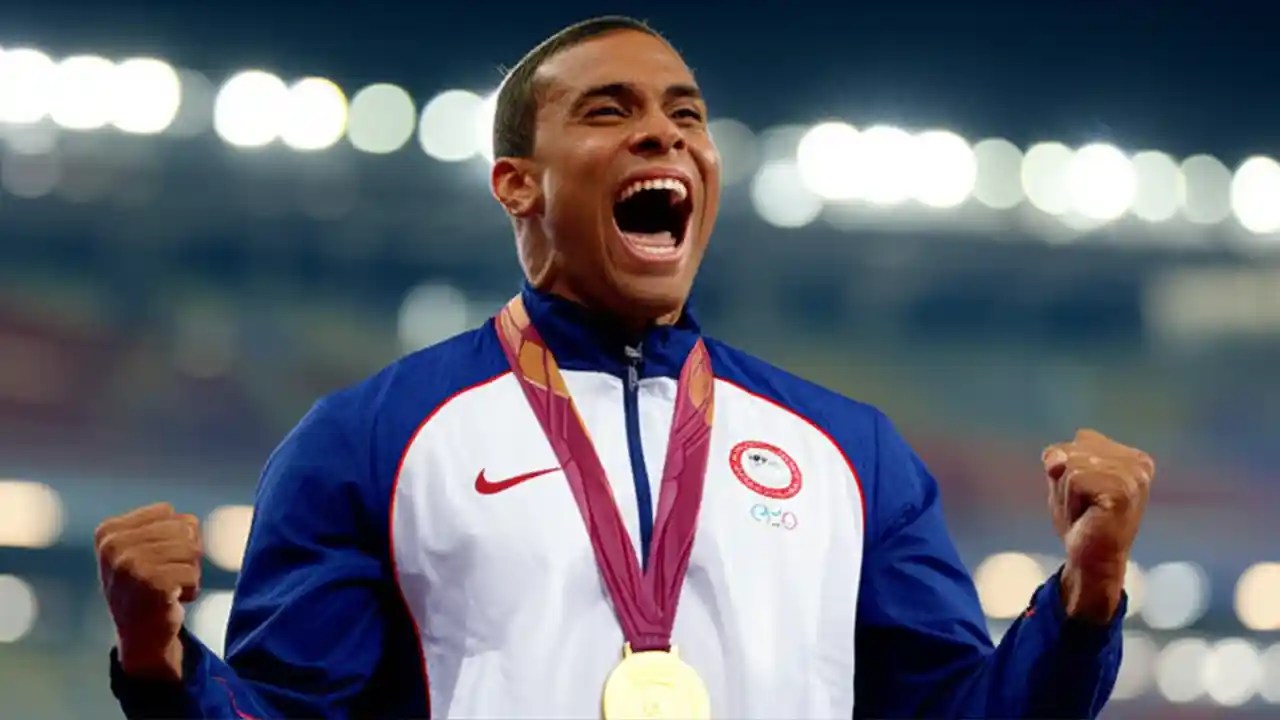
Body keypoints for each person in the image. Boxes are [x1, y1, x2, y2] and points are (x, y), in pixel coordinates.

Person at [96, 15, 1156, 720]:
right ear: (516, 183)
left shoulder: (851, 453)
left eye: (686, 115)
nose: (664, 136)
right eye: (610, 111)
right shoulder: (368, 440)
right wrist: (159, 662)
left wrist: (1087, 592)